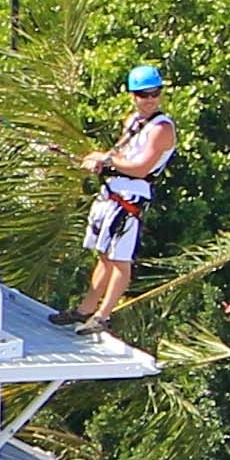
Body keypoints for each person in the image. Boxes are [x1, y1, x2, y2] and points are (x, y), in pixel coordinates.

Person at [79, 63, 178, 327]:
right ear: (133, 96)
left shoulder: (161, 128)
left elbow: (142, 166)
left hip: (132, 195)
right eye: (143, 94)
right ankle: (85, 309)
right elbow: (124, 155)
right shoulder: (134, 122)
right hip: (113, 191)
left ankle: (103, 315)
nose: (150, 100)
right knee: (103, 254)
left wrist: (108, 162)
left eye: (154, 93)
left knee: (120, 259)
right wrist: (103, 160)